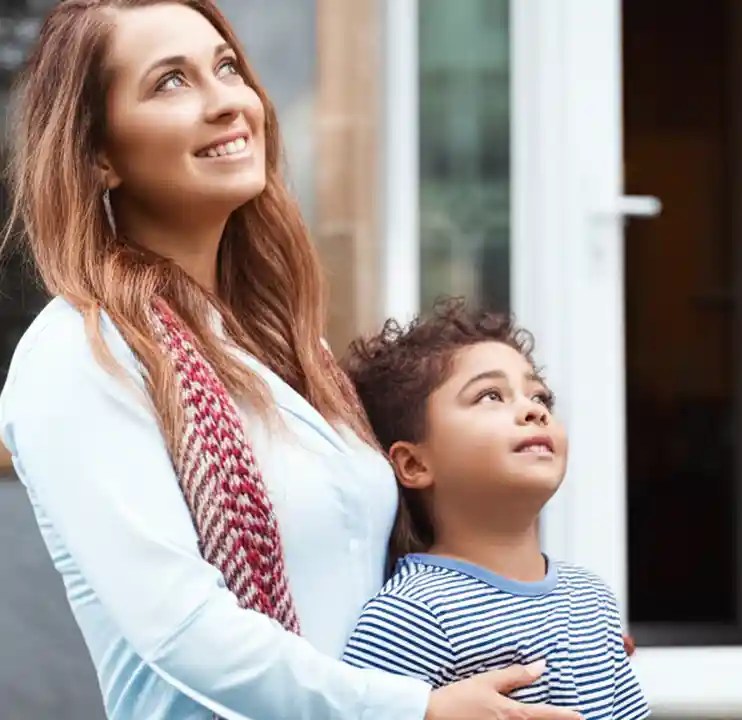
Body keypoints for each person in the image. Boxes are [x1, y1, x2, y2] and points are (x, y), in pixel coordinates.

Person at [0, 2, 581, 718]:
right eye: (171, 83)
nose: (226, 102)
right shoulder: (80, 354)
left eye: (226, 68)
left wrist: (551, 632)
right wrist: (414, 711)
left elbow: (380, 580)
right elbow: (182, 632)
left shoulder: (290, 349)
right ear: (99, 155)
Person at [338, 298, 649, 719]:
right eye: (490, 396)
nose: (533, 410)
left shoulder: (592, 600)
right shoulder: (412, 613)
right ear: (414, 463)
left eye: (540, 396)